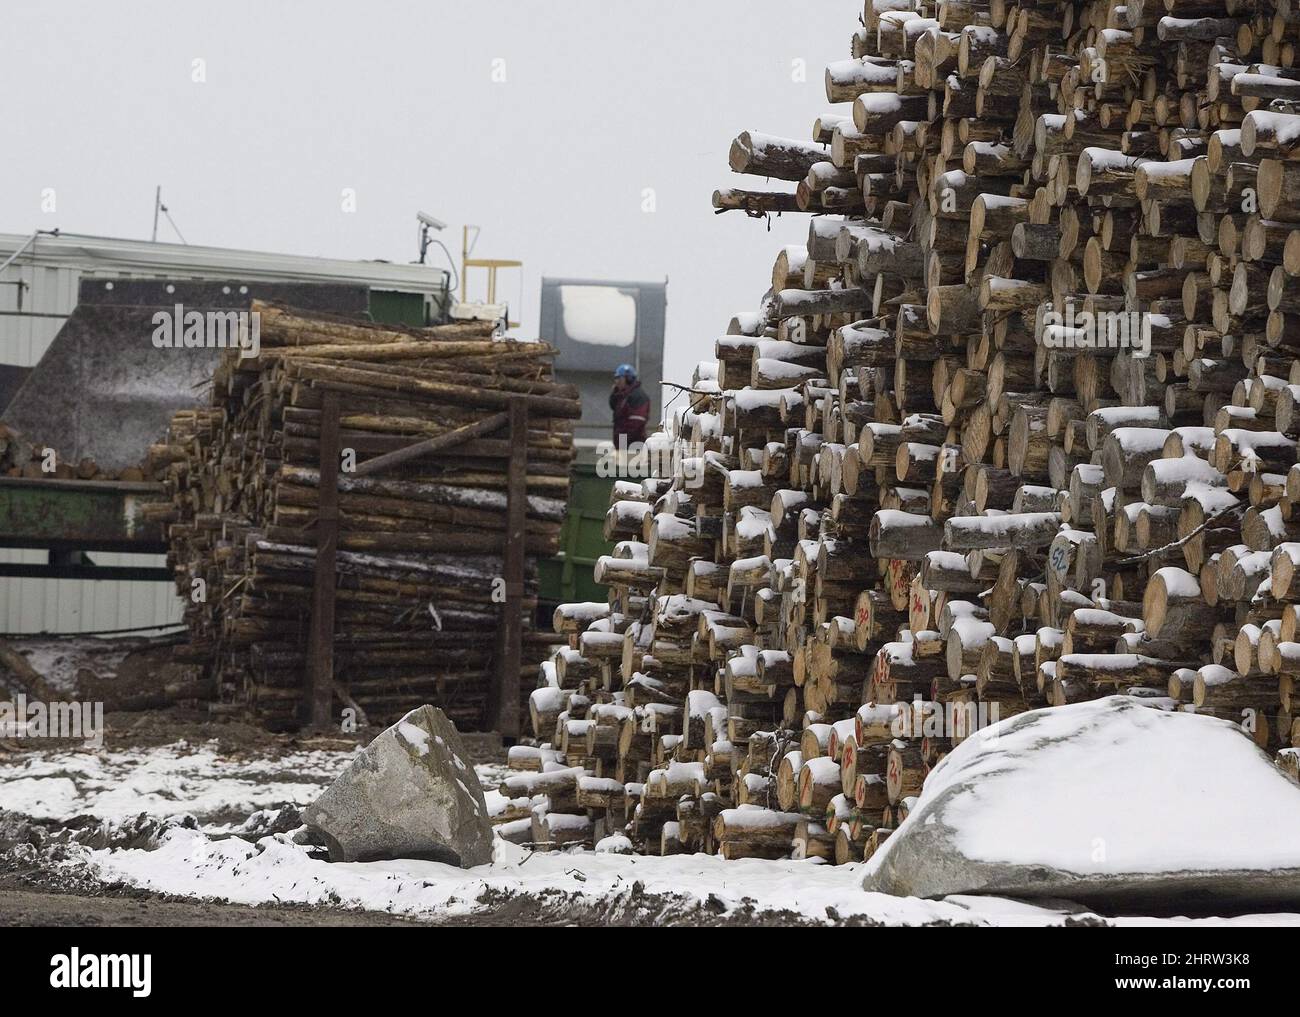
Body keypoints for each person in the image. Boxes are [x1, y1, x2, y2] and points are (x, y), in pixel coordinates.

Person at [609, 363, 650, 447]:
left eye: (619, 378)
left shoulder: (637, 396)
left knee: (628, 460)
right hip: (623, 442)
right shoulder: (623, 396)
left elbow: (636, 423)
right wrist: (615, 393)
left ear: (628, 379)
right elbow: (613, 405)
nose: (616, 381)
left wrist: (622, 443)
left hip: (634, 444)